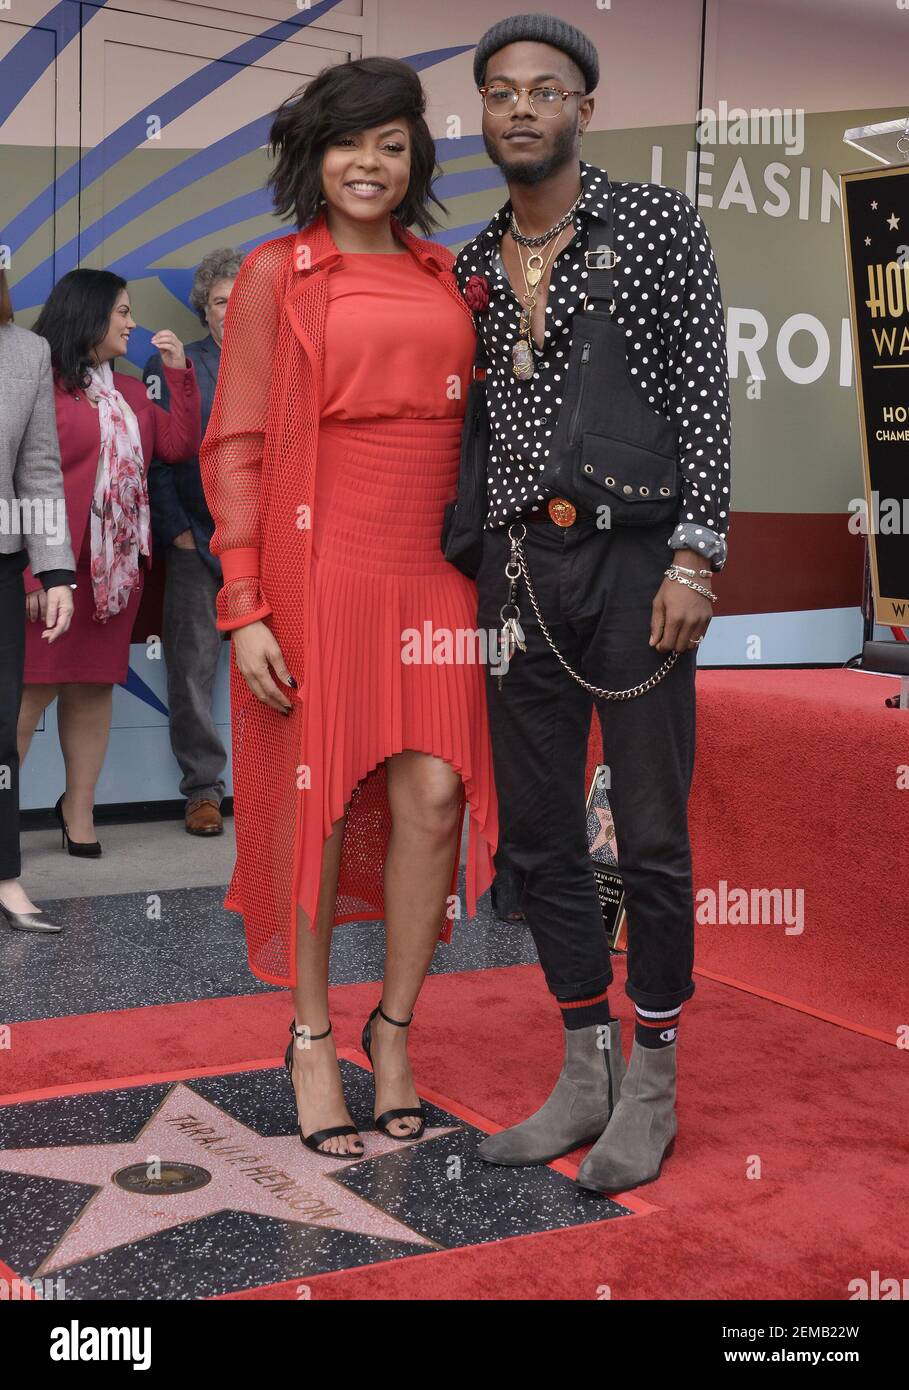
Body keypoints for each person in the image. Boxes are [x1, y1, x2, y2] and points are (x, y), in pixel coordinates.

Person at [200, 57, 498, 1157]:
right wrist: (245, 600)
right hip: (320, 573)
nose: (368, 163)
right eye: (347, 143)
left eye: (390, 143)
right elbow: (234, 443)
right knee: (318, 813)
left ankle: (397, 1027)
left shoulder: (447, 273)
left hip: (438, 574)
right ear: (311, 158)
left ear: (416, 156)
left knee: (433, 798)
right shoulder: (282, 273)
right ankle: (313, 1034)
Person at [454, 14, 730, 1191]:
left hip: (637, 566)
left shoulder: (657, 223)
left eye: (546, 90)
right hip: (518, 570)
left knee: (653, 837)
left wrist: (697, 556)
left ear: (586, 108)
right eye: (502, 92)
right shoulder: (470, 260)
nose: (522, 106)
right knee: (540, 834)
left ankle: (654, 1078)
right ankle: (584, 1066)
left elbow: (704, 393)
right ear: (484, 115)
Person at [17, 270, 202, 855]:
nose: (131, 322)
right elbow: (17, 482)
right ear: (90, 315)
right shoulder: (36, 383)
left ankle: (79, 814)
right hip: (50, 571)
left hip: (111, 576)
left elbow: (176, 446)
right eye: (122, 312)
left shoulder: (127, 391)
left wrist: (177, 375)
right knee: (27, 696)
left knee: (92, 692)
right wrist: (31, 573)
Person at [143, 248, 246, 836]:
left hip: (266, 543)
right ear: (203, 310)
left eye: (241, 300)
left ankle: (281, 785)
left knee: (283, 671)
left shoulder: (284, 363)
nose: (231, 311)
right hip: (195, 543)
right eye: (219, 301)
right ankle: (202, 792)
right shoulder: (176, 365)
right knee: (190, 673)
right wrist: (177, 530)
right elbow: (157, 456)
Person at [0, 268, 74, 934]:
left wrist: (55, 572)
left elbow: (40, 471)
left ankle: (5, 878)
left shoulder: (26, 352)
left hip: (0, 562)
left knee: (0, 729)